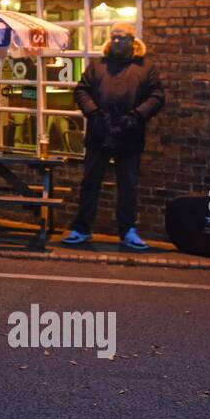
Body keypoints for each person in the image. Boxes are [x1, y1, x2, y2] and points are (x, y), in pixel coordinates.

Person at [62, 21, 165, 251]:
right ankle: (82, 228)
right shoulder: (98, 66)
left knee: (127, 184)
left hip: (129, 134)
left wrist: (137, 115)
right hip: (100, 132)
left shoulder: (145, 67)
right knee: (90, 182)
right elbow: (81, 90)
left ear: (132, 40)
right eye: (114, 37)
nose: (117, 41)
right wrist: (94, 113)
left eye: (122, 37)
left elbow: (157, 96)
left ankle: (127, 229)